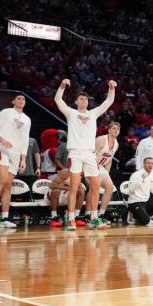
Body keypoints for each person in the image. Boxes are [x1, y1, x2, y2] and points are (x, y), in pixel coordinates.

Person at [54, 78, 116, 231]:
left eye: (86, 99)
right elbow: (58, 100)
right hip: (75, 153)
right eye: (81, 98)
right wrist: (62, 86)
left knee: (96, 186)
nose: (84, 100)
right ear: (76, 102)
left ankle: (93, 218)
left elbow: (108, 101)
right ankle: (71, 219)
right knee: (74, 187)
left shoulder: (93, 113)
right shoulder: (71, 113)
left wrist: (111, 88)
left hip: (89, 154)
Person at [0, 94, 31, 229]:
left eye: (23, 99)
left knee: (8, 185)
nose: (21, 100)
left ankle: (5, 218)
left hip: (16, 154)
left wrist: (23, 158)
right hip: (2, 150)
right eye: (18, 98)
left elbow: (25, 139)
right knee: (2, 180)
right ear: (13, 101)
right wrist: (2, 141)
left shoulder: (27, 119)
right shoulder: (5, 112)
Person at [90, 121, 120, 225]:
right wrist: (94, 169)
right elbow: (90, 154)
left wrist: (106, 173)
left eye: (118, 129)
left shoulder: (116, 144)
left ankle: (101, 215)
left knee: (109, 188)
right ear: (109, 130)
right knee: (94, 188)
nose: (116, 130)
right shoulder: (101, 140)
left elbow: (109, 159)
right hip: (91, 165)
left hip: (101, 167)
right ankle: (90, 215)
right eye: (114, 128)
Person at [127, 157, 153, 226]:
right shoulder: (136, 174)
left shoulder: (152, 174)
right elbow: (131, 189)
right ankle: (135, 215)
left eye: (152, 164)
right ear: (144, 164)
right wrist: (141, 179)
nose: (150, 165)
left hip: (146, 201)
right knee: (145, 221)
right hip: (135, 202)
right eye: (148, 163)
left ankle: (143, 215)